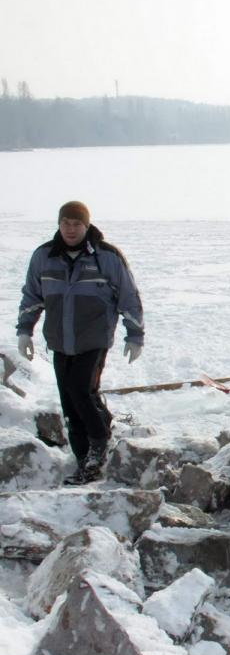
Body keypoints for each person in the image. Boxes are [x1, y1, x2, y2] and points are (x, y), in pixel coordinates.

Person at [16, 201, 144, 485]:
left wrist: (135, 335)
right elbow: (32, 296)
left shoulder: (106, 257)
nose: (71, 229)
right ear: (59, 225)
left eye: (77, 224)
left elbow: (128, 296)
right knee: (70, 398)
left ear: (86, 226)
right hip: (60, 340)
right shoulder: (44, 256)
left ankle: (97, 448)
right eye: (66, 223)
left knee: (80, 389)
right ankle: (83, 455)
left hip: (94, 338)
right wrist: (25, 330)